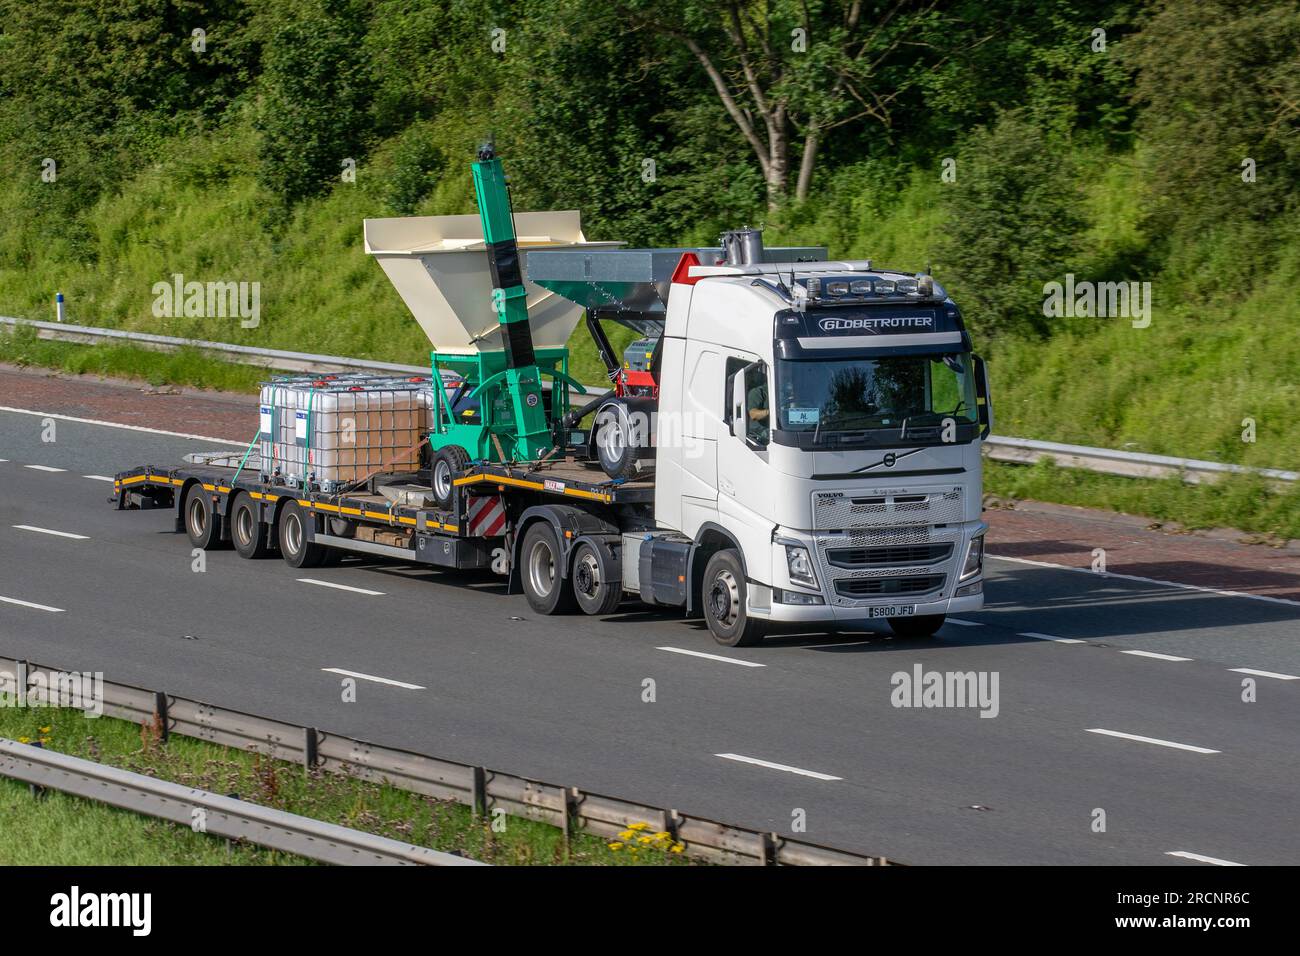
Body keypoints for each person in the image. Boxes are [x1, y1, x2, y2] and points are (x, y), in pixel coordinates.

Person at [747, 374, 769, 444]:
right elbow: (753, 414)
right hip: (758, 433)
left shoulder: (785, 394)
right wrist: (773, 412)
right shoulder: (758, 392)